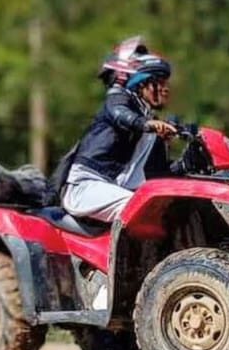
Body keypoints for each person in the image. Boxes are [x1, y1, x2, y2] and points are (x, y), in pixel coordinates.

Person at [60, 36, 181, 223]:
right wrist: (148, 125)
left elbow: (157, 175)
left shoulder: (149, 124)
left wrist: (186, 164)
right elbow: (120, 114)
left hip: (112, 188)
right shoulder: (119, 103)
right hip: (87, 185)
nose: (166, 89)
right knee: (141, 206)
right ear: (141, 83)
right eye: (159, 82)